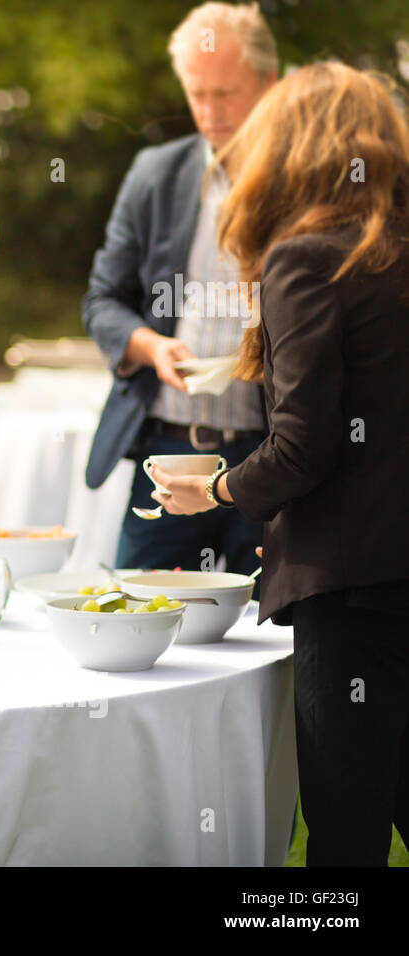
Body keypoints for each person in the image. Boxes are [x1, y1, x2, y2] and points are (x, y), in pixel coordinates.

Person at [152, 62, 409, 867]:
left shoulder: (306, 261)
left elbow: (304, 446)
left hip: (354, 597)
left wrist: (217, 489)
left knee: (344, 843)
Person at [82, 1, 277, 574]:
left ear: (269, 82)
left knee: (271, 641)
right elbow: (102, 300)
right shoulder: (154, 174)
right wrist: (148, 346)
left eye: (227, 93)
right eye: (197, 94)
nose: (210, 111)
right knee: (139, 619)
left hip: (268, 456)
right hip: (168, 453)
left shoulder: (301, 180)